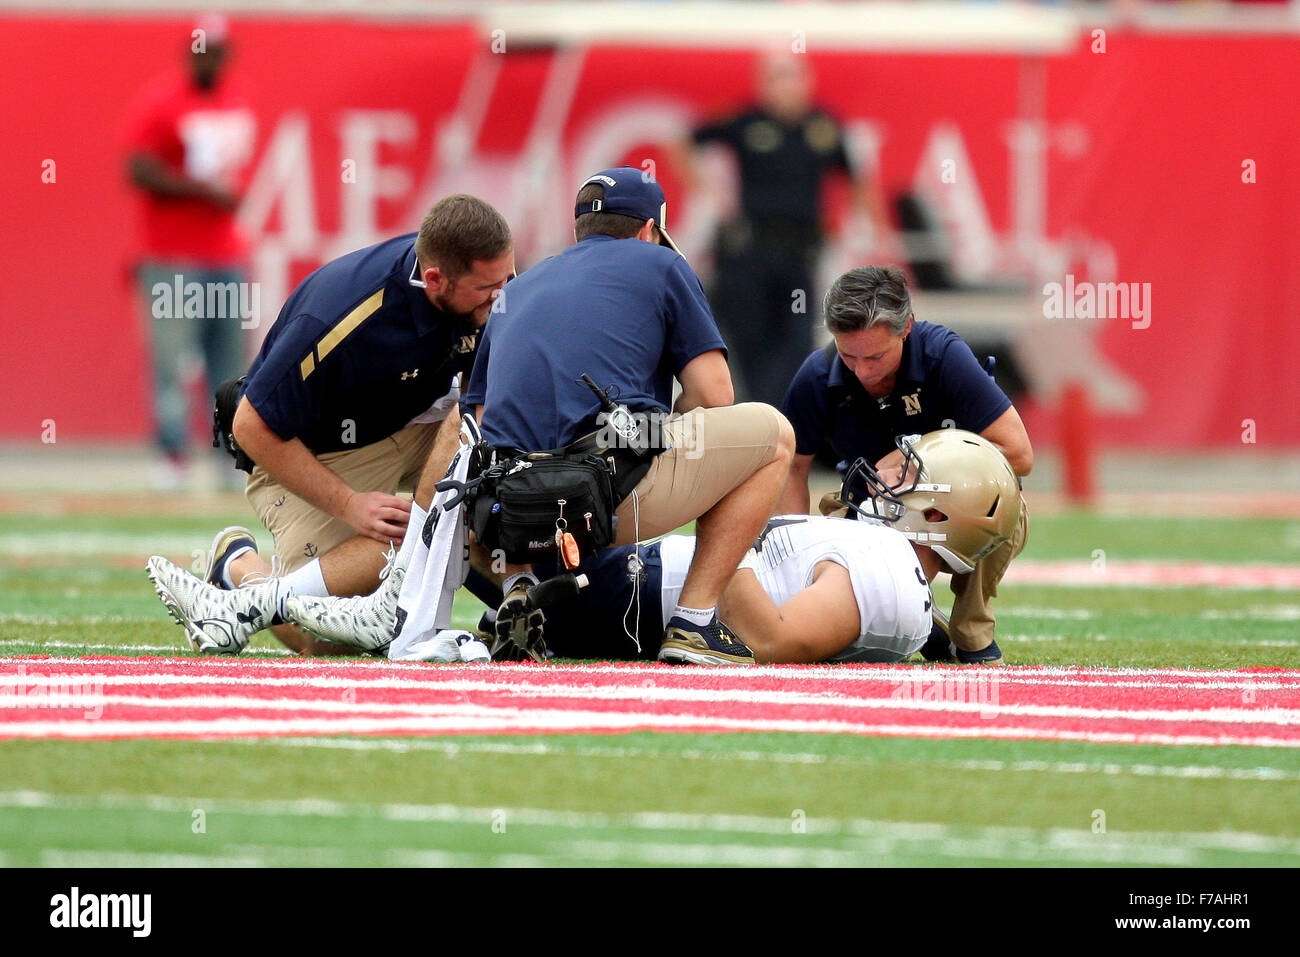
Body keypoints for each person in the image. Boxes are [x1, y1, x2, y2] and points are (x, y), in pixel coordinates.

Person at [145, 195, 515, 656]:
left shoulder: (476, 284)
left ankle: (505, 590)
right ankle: (239, 568)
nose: (502, 296)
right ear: (435, 279)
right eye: (489, 288)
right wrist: (350, 505)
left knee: (498, 451)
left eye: (508, 279)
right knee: (325, 641)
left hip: (417, 426)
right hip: (314, 450)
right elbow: (250, 426)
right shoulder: (344, 312)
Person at [464, 167, 795, 666]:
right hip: (600, 492)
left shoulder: (519, 285)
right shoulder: (660, 265)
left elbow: (482, 417)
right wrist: (665, 427)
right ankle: (695, 622)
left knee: (519, 454)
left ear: (578, 231)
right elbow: (714, 393)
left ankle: (520, 586)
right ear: (649, 230)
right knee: (774, 435)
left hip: (504, 516)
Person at [777, 265, 1032, 664]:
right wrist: (791, 546)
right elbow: (792, 467)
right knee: (840, 644)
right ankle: (907, 612)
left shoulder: (943, 356)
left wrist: (916, 454)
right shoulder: (818, 374)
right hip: (866, 511)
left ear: (906, 328)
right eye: (849, 356)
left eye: (875, 356)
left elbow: (1019, 453)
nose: (862, 371)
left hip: (954, 510)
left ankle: (971, 629)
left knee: (995, 500)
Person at [682, 51, 892, 408]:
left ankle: (775, 418)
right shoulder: (745, 120)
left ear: (807, 82)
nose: (785, 87)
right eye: (776, 78)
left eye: (792, 77)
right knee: (748, 339)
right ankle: (764, 418)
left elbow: (856, 179)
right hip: (750, 252)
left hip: (799, 253)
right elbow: (687, 140)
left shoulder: (822, 127)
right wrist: (709, 192)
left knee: (796, 339)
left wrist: (880, 235)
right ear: (763, 84)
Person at [123, 14, 257, 489]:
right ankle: (172, 454)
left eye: (218, 51)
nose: (211, 59)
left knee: (229, 363)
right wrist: (200, 191)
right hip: (172, 255)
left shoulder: (235, 99)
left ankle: (228, 456)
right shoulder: (162, 102)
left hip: (225, 253)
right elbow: (138, 168)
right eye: (204, 51)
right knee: (173, 360)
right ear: (191, 52)